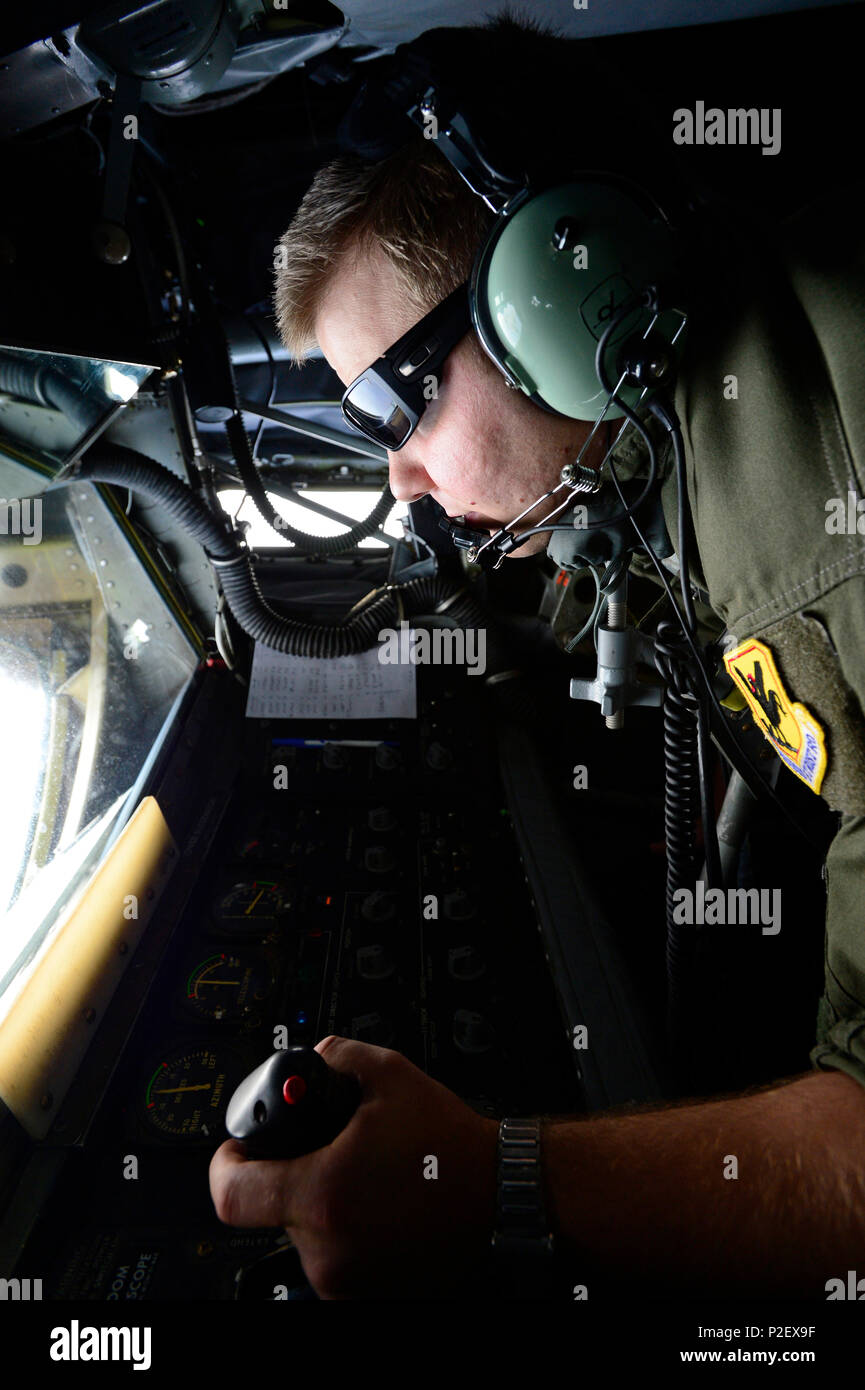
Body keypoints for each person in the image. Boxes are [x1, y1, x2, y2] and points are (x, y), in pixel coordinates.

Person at [210, 16, 865, 1299]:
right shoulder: (680, 440)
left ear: (557, 300)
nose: (395, 472)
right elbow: (582, 601)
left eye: (398, 402)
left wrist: (487, 1179)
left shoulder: (824, 535)